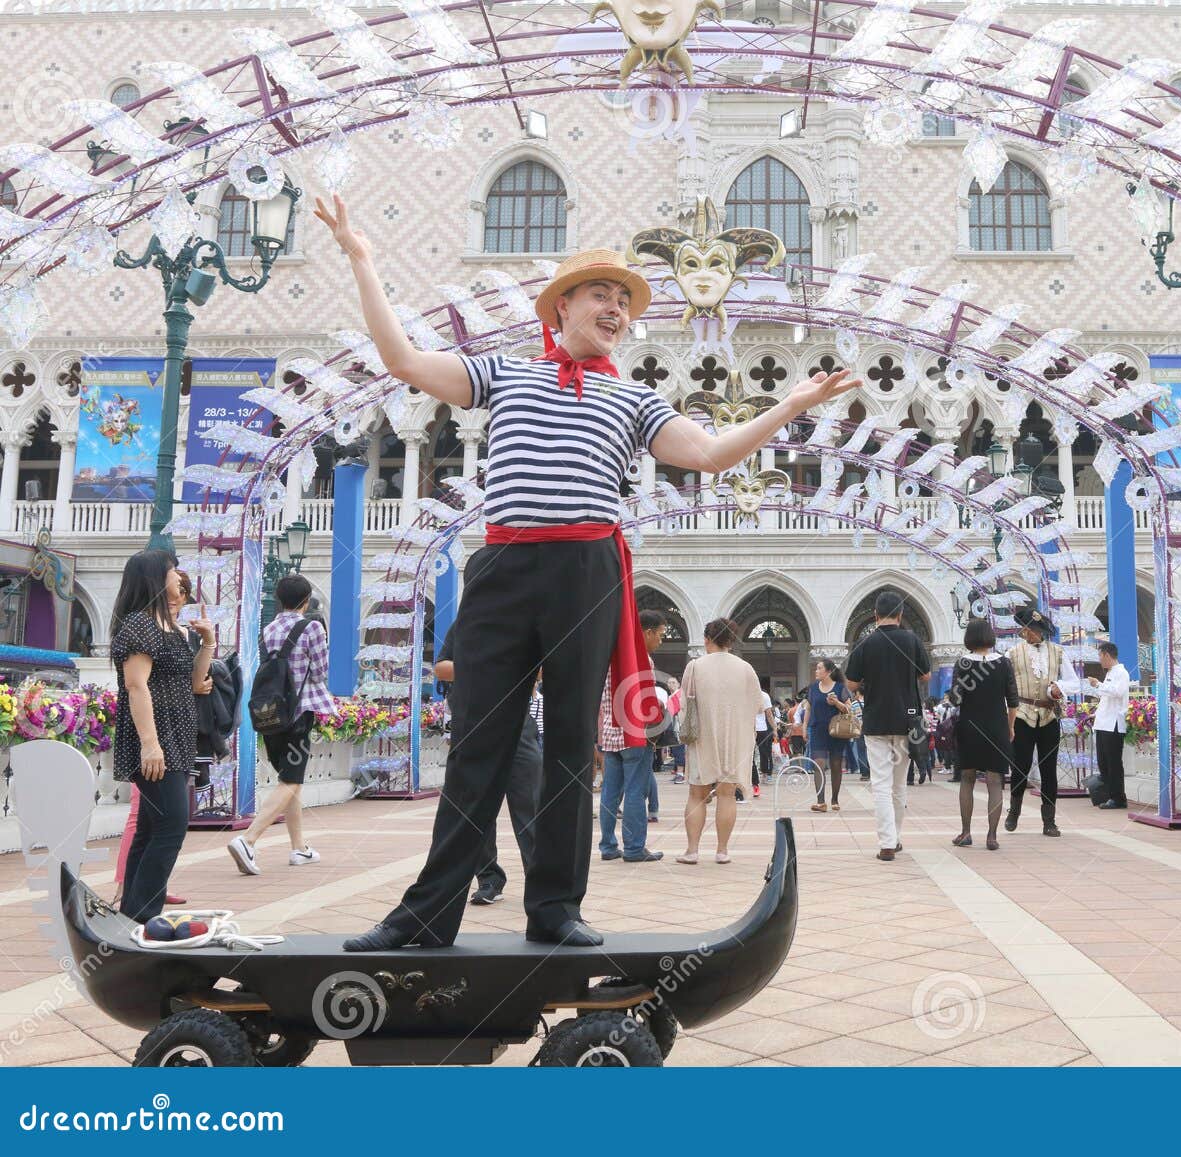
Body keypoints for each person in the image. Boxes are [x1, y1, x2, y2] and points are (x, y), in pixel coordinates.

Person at [315, 193, 863, 950]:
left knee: (574, 745)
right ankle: (425, 916)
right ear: (561, 306)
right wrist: (362, 258)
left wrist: (788, 407)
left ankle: (556, 910)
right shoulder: (501, 373)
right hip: (504, 567)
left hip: (587, 568)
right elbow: (402, 359)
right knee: (479, 743)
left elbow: (707, 453)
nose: (616, 309)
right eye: (601, 295)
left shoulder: (632, 398)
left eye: (624, 301)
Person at [110, 550, 215, 923]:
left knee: (152, 827)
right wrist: (150, 744)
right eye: (173, 571)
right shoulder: (140, 626)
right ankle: (144, 916)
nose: (179, 577)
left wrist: (207, 644)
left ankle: (132, 917)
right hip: (157, 738)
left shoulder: (170, 627)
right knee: (172, 824)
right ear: (157, 578)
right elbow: (136, 687)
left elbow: (195, 684)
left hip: (177, 734)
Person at [229, 574, 336, 875]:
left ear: (278, 598)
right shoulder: (312, 626)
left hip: (270, 712)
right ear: (306, 600)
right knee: (291, 780)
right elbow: (320, 671)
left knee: (291, 781)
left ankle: (299, 848)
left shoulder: (268, 628)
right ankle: (248, 840)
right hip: (298, 713)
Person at [433, 620, 541, 906]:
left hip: (518, 729)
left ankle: (539, 880)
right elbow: (441, 668)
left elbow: (541, 668)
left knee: (529, 806)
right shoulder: (466, 623)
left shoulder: (523, 621)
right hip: (473, 727)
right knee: (476, 810)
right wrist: (486, 670)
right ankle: (489, 879)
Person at [845, 591, 931, 861]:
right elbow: (926, 674)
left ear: (875, 615)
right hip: (907, 720)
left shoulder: (865, 643)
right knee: (898, 785)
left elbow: (850, 683)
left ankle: (887, 842)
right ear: (900, 614)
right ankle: (895, 836)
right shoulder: (911, 639)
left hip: (876, 720)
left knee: (879, 784)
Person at [677, 618, 761, 864]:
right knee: (727, 794)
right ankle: (722, 850)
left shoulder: (695, 666)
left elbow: (683, 705)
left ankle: (692, 850)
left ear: (707, 639)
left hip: (702, 736)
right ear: (731, 641)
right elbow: (757, 705)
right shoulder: (745, 668)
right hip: (734, 738)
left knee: (696, 794)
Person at [598, 608, 671, 863]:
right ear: (647, 632)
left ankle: (607, 846)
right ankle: (634, 848)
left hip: (610, 732)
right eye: (660, 635)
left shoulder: (607, 655)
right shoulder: (642, 660)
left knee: (610, 791)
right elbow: (645, 701)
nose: (660, 641)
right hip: (635, 735)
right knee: (635, 791)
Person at [949, 619, 1018, 851]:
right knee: (995, 780)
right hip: (997, 727)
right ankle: (992, 836)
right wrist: (1010, 727)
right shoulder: (1004, 663)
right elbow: (1013, 701)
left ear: (969, 638)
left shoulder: (963, 663)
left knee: (967, 779)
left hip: (969, 727)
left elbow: (956, 699)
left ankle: (966, 832)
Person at [1005, 608, 1068, 838]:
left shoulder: (1058, 652)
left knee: (1048, 769)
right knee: (1019, 766)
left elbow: (1071, 680)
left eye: (1032, 630)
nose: (1029, 634)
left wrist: (1059, 688)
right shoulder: (1012, 653)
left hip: (1049, 714)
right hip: (1022, 714)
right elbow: (1006, 684)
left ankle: (1049, 820)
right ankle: (1014, 810)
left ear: (1041, 631)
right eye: (1026, 629)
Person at [1087, 641, 1132, 810]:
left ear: (1106, 654)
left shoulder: (1122, 672)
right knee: (1103, 762)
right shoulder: (1110, 673)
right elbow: (1106, 698)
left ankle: (1118, 797)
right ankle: (1108, 794)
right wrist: (1096, 713)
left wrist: (1098, 684)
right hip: (1103, 722)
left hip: (1113, 724)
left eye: (1100, 656)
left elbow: (1117, 692)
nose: (1099, 660)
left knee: (1113, 763)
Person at [803, 659, 851, 813]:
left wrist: (836, 703)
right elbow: (808, 709)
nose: (816, 671)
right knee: (818, 764)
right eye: (816, 668)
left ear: (828, 671)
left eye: (819, 668)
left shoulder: (840, 688)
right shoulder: (812, 688)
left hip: (837, 730)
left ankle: (835, 800)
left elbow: (848, 709)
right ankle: (820, 801)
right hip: (817, 730)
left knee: (836, 765)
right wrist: (804, 727)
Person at [752, 675, 775, 798]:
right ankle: (761, 777)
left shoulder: (763, 696)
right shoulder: (760, 695)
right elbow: (769, 714)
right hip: (754, 728)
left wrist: (774, 728)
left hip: (760, 728)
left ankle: (765, 774)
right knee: (762, 753)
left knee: (763, 753)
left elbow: (769, 714)